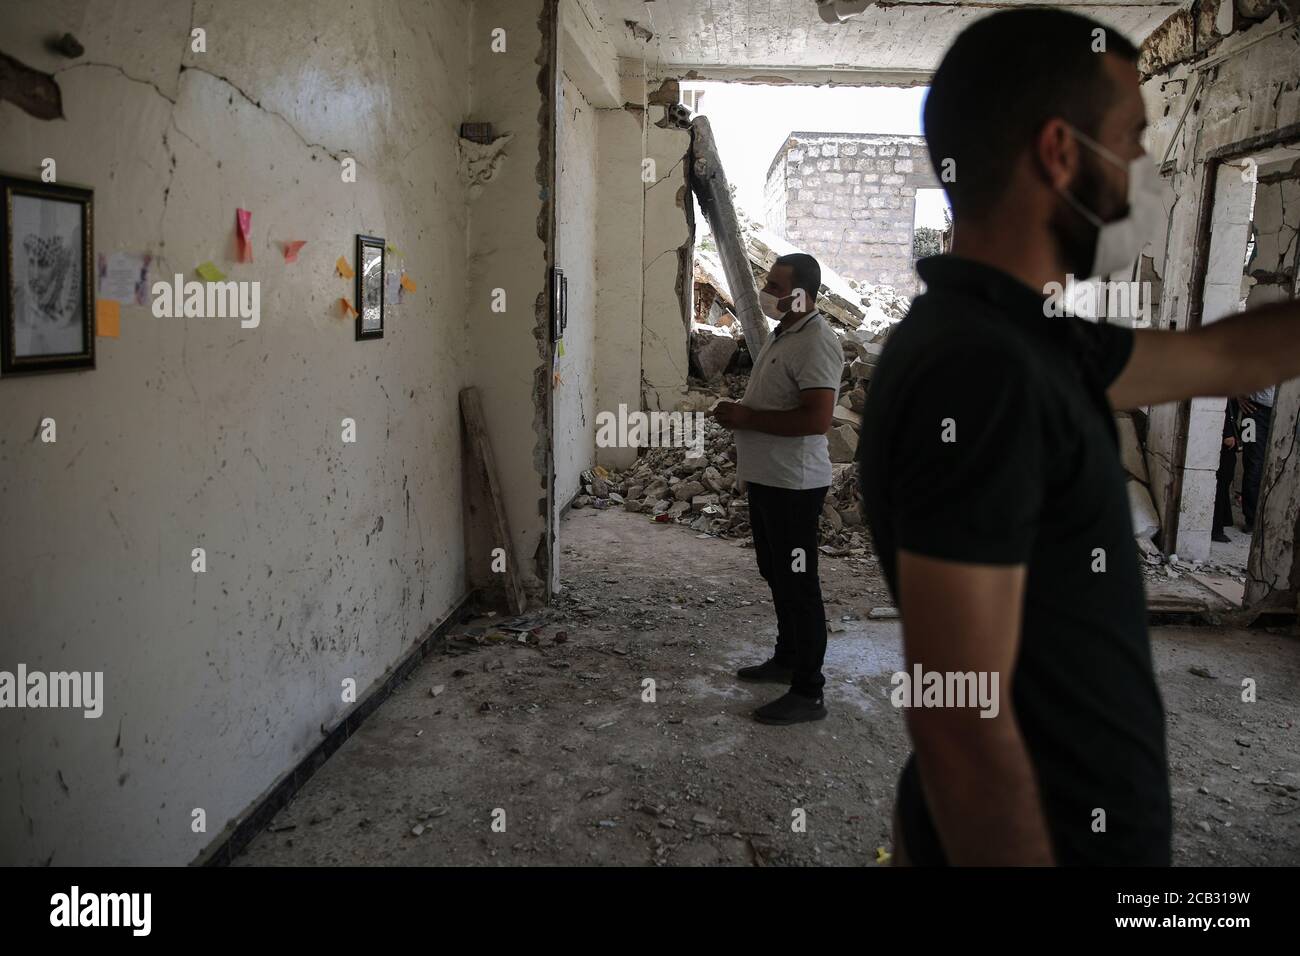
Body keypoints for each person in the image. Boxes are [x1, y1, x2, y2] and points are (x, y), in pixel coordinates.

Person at [859, 8, 1300, 865]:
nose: (1146, 170)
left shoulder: (1033, 340)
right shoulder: (980, 373)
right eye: (1132, 139)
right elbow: (959, 718)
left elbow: (1218, 355)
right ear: (1062, 153)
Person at [712, 253, 842, 725]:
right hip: (768, 478)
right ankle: (787, 658)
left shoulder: (817, 342)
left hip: (795, 484)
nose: (768, 291)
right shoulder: (785, 331)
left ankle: (809, 692)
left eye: (776, 285)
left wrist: (747, 418)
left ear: (804, 292)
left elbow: (817, 419)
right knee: (776, 571)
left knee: (798, 584)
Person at [1238, 386, 1275, 532]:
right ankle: (1252, 519)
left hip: (1285, 413)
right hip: (1254, 413)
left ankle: (1270, 517)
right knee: (1253, 465)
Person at [1212, 400, 1240, 543]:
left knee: (1224, 480)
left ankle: (1221, 521)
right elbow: (1224, 405)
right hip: (1224, 437)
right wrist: (1228, 433)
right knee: (1221, 482)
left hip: (1226, 433)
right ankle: (1216, 528)